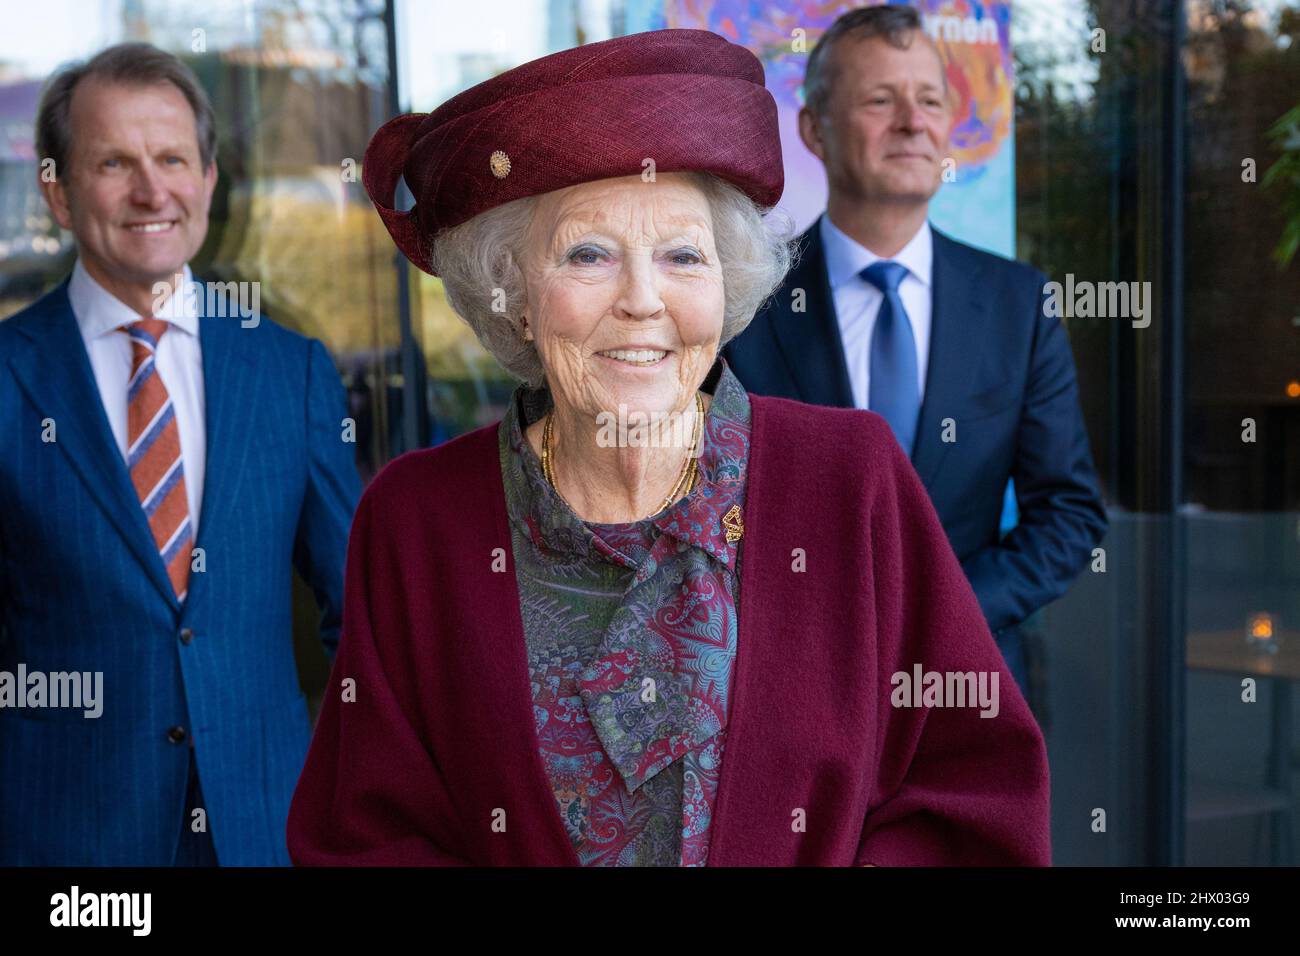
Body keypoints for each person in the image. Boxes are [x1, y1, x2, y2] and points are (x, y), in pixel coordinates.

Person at [287, 28, 1050, 866]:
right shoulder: (417, 518)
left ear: (728, 284)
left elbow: (972, 794)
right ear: (515, 298)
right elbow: (367, 837)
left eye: (684, 255)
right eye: (588, 254)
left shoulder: (849, 479)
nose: (643, 301)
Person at [0, 43, 360, 865]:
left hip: (264, 834)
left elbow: (361, 621)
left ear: (205, 179)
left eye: (172, 159)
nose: (150, 189)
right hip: (65, 849)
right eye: (113, 162)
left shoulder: (289, 372)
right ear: (57, 190)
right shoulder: (8, 377)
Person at [724, 6, 1108, 700]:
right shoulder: (746, 306)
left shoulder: (1019, 305)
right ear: (814, 129)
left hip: (968, 694)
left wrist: (946, 613)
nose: (913, 121)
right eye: (880, 99)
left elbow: (1068, 515)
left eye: (929, 100)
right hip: (787, 692)